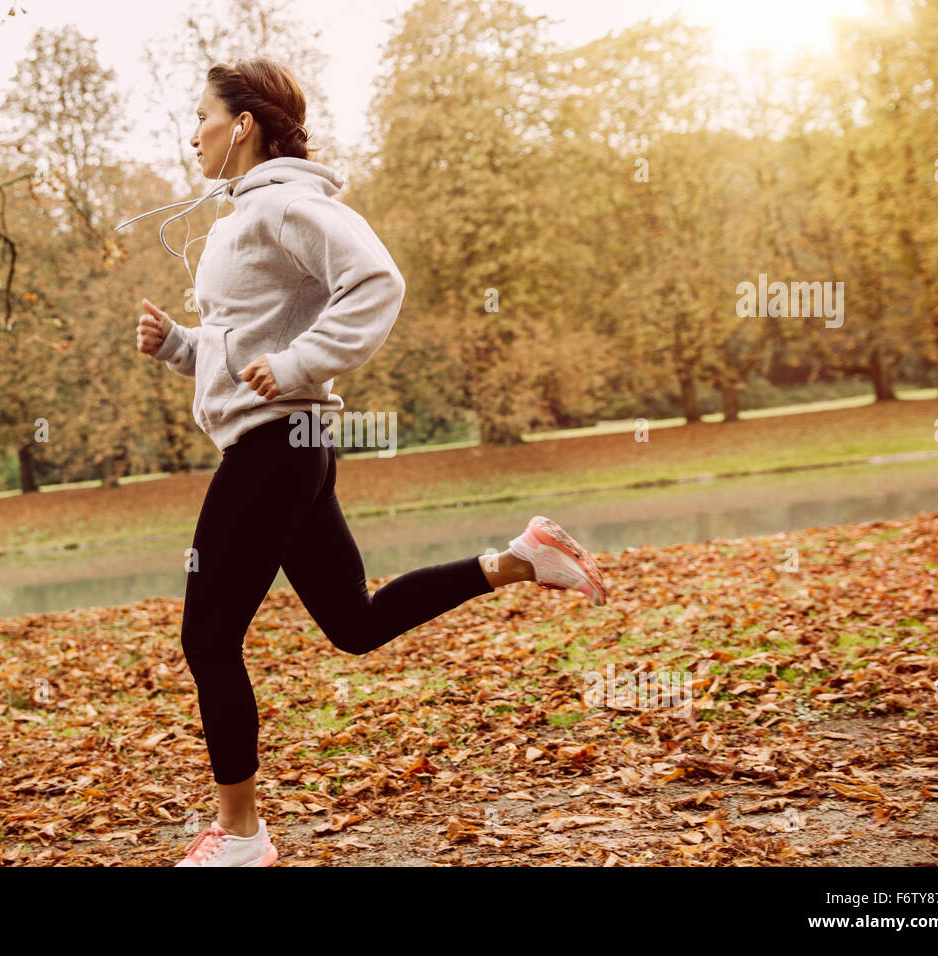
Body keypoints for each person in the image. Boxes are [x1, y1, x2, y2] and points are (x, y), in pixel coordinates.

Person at [134, 57, 608, 867]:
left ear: (242, 123)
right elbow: (242, 339)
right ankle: (521, 561)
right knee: (352, 623)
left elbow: (376, 282)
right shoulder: (245, 214)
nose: (193, 131)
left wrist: (299, 364)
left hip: (276, 447)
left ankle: (242, 837)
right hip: (293, 446)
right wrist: (181, 346)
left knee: (208, 640)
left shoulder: (287, 202)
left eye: (203, 115)